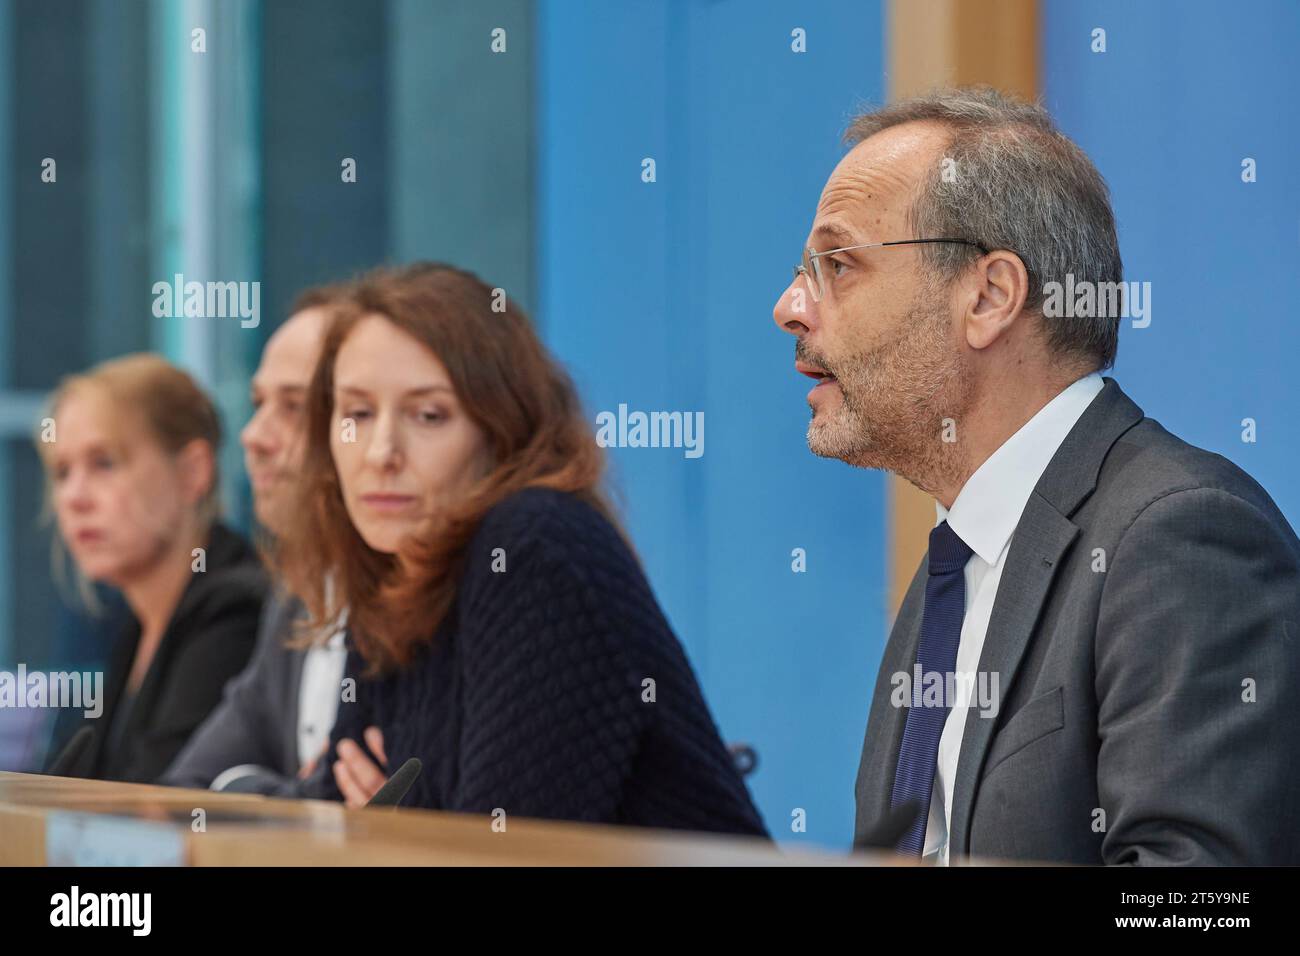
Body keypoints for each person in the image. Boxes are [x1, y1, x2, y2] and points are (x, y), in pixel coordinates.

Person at [772, 86, 1300, 865]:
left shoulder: (1181, 535)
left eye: (837, 265)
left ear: (988, 296)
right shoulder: (953, 568)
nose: (791, 306)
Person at [272, 263, 766, 836]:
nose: (381, 451)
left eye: (429, 415)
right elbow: (337, 803)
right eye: (357, 413)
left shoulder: (537, 548)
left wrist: (404, 830)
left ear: (500, 432)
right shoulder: (393, 560)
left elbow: (488, 849)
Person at [39, 354, 265, 783]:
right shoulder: (132, 622)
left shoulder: (235, 612)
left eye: (104, 463)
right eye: (62, 472)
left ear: (192, 472)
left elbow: (152, 814)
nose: (73, 498)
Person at [163, 285, 344, 793]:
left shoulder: (420, 602)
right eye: (259, 403)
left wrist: (249, 788)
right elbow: (185, 789)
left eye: (293, 407)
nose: (252, 436)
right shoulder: (297, 595)